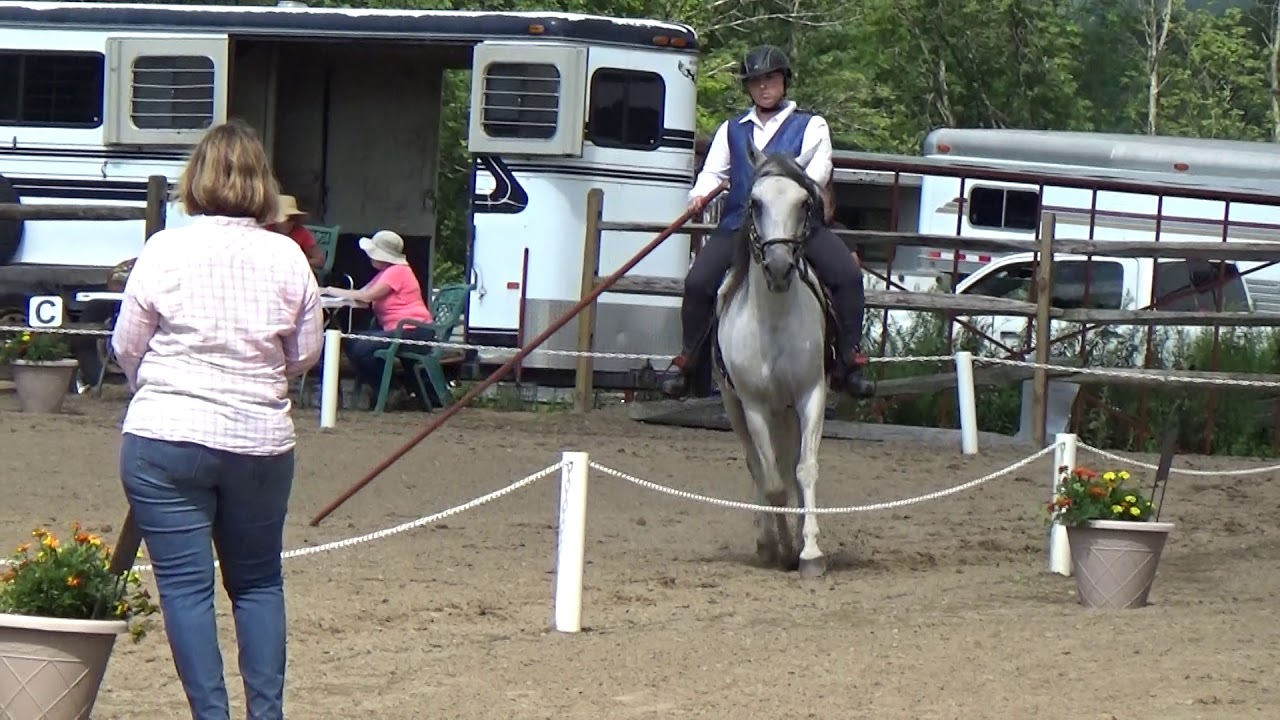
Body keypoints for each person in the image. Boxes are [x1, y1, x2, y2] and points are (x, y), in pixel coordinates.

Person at [110, 118, 324, 720]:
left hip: (166, 434)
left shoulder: (164, 248)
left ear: (194, 180)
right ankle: (267, 712)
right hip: (258, 440)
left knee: (184, 587)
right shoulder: (287, 255)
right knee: (257, 585)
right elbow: (305, 353)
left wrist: (149, 387)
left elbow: (128, 344)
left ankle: (211, 714)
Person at [660, 45, 875, 400]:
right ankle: (689, 363)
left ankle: (849, 361)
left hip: (798, 226)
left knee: (848, 276)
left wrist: (790, 192)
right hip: (739, 226)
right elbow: (714, 171)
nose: (763, 87)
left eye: (770, 79)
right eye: (756, 81)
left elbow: (819, 170)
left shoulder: (811, 125)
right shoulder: (733, 129)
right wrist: (698, 194)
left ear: (784, 82)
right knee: (698, 283)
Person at [323, 230, 436, 398]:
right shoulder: (387, 273)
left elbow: (367, 296)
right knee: (351, 342)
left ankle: (391, 390)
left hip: (413, 329)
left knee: (361, 348)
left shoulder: (397, 271)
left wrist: (329, 290)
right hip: (401, 329)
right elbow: (363, 295)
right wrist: (343, 294)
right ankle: (387, 388)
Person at [268, 194, 326, 270]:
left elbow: (320, 260)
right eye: (287, 219)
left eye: (293, 218)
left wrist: (298, 262)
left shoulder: (301, 232)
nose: (291, 223)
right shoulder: (265, 231)